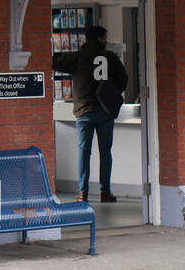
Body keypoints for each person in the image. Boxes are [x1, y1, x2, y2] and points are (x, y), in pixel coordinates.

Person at [52, 24, 128, 203]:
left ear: (86, 39)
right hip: (105, 112)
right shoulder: (109, 57)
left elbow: (55, 63)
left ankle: (82, 192)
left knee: (83, 152)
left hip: (84, 111)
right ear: (101, 38)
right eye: (105, 38)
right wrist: (110, 92)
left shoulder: (78, 57)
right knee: (105, 152)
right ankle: (105, 192)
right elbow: (123, 80)